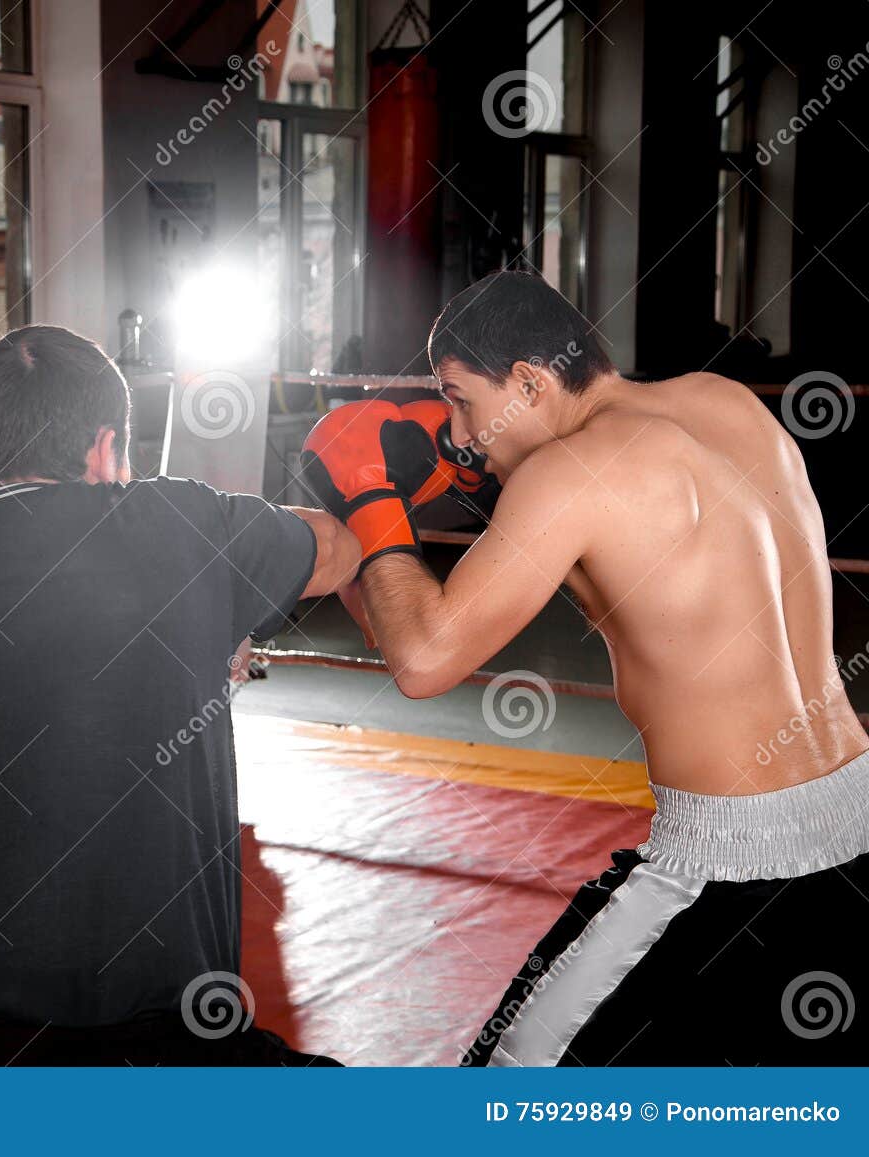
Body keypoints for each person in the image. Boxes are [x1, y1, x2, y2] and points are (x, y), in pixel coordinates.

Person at [301, 270, 869, 1065]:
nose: (460, 434)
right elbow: (411, 629)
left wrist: (367, 493)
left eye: (462, 399)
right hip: (854, 824)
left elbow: (423, 661)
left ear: (529, 381)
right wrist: (389, 537)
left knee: (503, 1092)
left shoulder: (567, 476)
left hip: (726, 861)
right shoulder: (722, 401)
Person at [0, 325, 359, 1065]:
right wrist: (220, 605)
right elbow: (338, 547)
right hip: (159, 1046)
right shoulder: (181, 526)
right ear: (103, 448)